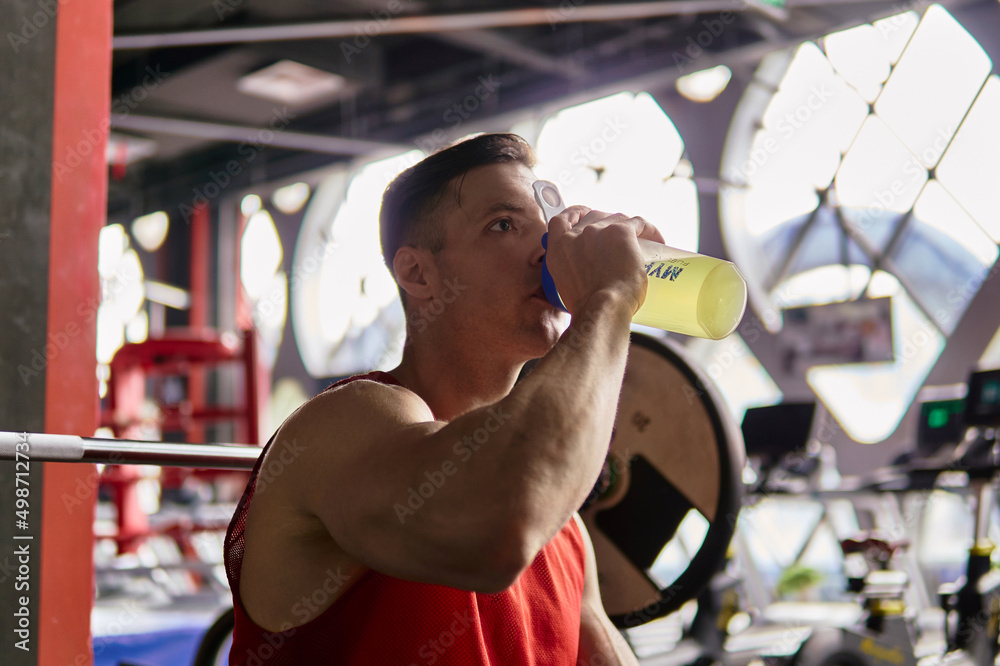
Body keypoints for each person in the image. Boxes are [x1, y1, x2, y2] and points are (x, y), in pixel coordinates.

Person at [224, 132, 664, 665]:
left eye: (548, 227)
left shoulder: (563, 522)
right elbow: (501, 525)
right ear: (418, 273)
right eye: (503, 225)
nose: (546, 250)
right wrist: (610, 297)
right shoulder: (350, 420)